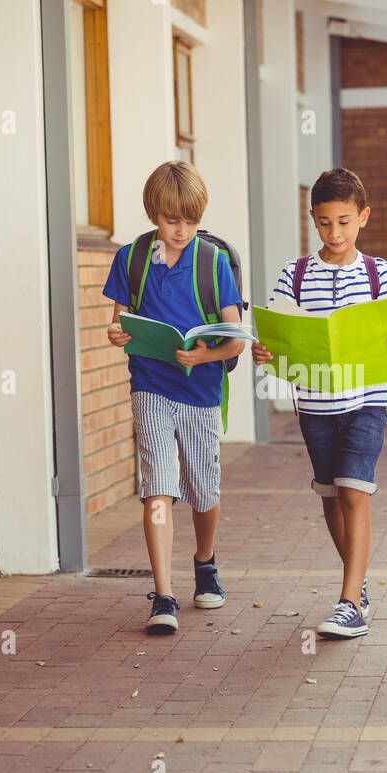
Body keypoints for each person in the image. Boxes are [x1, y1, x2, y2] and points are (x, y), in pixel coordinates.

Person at [251, 168, 387, 638]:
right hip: (315, 402)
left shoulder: (378, 272)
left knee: (353, 491)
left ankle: (349, 604)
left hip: (367, 399)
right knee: (329, 494)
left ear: (363, 217)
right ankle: (356, 584)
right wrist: (266, 351)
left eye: (344, 221)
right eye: (324, 223)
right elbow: (277, 336)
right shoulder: (294, 273)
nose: (335, 233)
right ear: (312, 220)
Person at [103, 161, 246, 634]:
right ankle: (163, 594)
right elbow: (121, 322)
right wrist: (117, 335)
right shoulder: (131, 259)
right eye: (171, 220)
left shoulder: (213, 262)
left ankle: (204, 561)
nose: (181, 230)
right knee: (157, 483)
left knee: (204, 487)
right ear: (153, 214)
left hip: (200, 390)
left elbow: (236, 340)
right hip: (151, 386)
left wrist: (204, 356)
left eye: (190, 220)